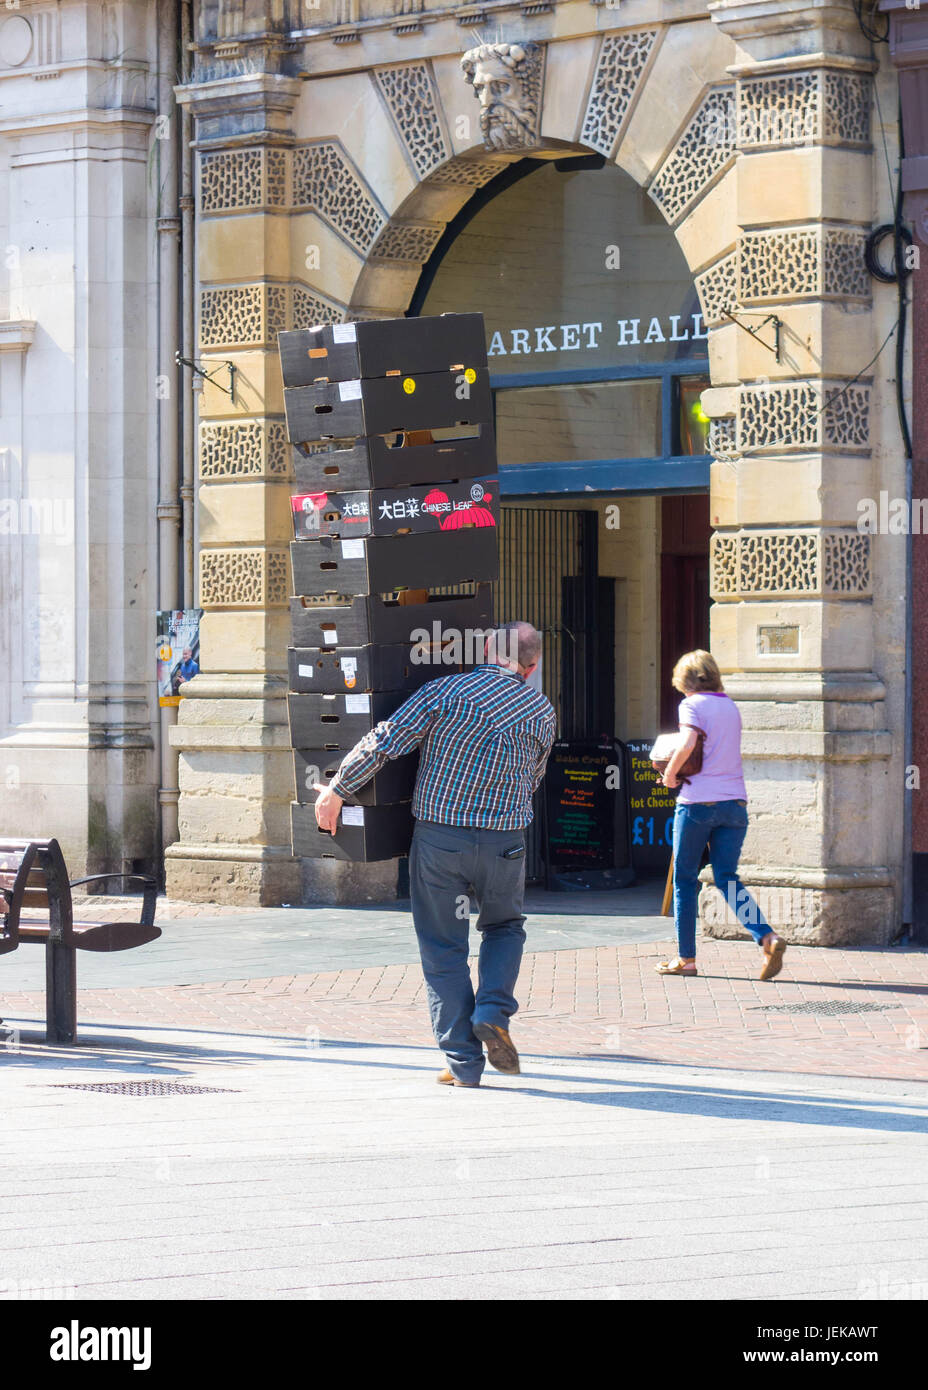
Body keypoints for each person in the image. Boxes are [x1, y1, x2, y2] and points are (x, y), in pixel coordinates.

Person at [313, 621, 556, 1087]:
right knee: (504, 928)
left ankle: (464, 1063)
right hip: (505, 840)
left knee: (443, 946)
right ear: (533, 663)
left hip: (441, 838)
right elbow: (534, 777)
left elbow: (386, 740)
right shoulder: (541, 710)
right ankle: (492, 1012)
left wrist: (338, 791)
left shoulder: (445, 691)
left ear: (486, 650)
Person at [656, 649, 786, 981]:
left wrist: (670, 775)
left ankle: (686, 959)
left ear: (686, 682)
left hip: (698, 802)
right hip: (735, 804)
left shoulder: (692, 704)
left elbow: (687, 743)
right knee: (727, 878)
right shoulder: (729, 706)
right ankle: (767, 938)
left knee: (685, 879)